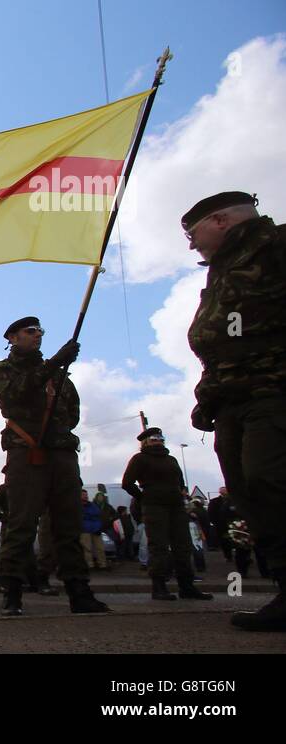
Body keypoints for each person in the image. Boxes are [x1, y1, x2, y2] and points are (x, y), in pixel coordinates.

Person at [184, 191, 286, 631]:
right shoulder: (222, 271)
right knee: (249, 490)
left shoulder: (275, 247)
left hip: (274, 390)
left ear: (221, 220)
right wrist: (208, 394)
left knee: (270, 478)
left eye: (194, 233)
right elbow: (221, 342)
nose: (191, 244)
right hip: (232, 401)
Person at [0, 316, 109, 615]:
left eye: (41, 331)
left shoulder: (59, 376)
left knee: (68, 527)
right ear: (13, 337)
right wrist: (54, 363)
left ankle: (79, 592)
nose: (38, 335)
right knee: (21, 524)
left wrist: (55, 368)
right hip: (27, 454)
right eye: (31, 331)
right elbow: (17, 393)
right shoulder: (0, 370)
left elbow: (72, 413)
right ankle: (12, 594)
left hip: (62, 456)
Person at [121, 427, 212, 601]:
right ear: (146, 441)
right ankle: (159, 587)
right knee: (158, 547)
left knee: (183, 546)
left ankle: (187, 586)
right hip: (154, 507)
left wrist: (181, 494)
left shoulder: (171, 459)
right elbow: (127, 483)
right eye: (155, 438)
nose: (159, 441)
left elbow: (180, 482)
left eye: (161, 438)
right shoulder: (139, 459)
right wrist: (143, 497)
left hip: (176, 506)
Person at [79, 489, 108, 570]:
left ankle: (102, 564)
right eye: (84, 495)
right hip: (84, 530)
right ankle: (89, 565)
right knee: (87, 549)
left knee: (100, 548)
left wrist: (99, 527)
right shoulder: (77, 506)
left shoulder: (92, 505)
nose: (86, 496)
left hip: (95, 529)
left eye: (86, 494)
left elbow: (98, 515)